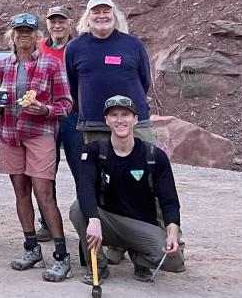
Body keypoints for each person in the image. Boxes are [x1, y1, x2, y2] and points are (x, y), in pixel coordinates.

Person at [0, 13, 75, 282]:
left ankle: (61, 255)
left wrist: (45, 109)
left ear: (37, 36)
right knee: (20, 191)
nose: (23, 35)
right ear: (12, 36)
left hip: (40, 134)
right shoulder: (3, 66)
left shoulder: (51, 64)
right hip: (10, 135)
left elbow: (65, 103)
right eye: (19, 31)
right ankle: (32, 248)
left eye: (28, 31)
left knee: (43, 192)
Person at [70, 95, 185, 284]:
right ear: (106, 120)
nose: (120, 120)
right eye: (114, 115)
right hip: (109, 222)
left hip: (141, 225)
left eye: (125, 114)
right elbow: (85, 189)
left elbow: (169, 200)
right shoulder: (93, 151)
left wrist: (172, 234)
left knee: (175, 262)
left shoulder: (154, 156)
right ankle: (98, 266)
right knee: (78, 209)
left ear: (135, 119)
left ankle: (139, 257)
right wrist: (93, 218)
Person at [64, 0, 154, 145]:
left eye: (106, 11)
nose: (101, 16)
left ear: (114, 15)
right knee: (99, 167)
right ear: (87, 16)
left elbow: (144, 80)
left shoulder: (133, 44)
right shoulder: (74, 47)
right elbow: (73, 84)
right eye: (96, 12)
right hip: (95, 122)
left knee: (144, 165)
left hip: (134, 121)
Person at [38, 5, 82, 241]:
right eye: (53, 21)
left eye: (61, 21)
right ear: (47, 24)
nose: (57, 25)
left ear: (70, 23)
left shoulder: (78, 48)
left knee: (80, 169)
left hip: (73, 116)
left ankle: (86, 221)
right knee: (45, 171)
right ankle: (46, 223)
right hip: (46, 115)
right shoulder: (40, 48)